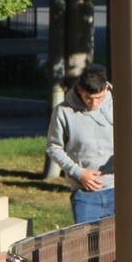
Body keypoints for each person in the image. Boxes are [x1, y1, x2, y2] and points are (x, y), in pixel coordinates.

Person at [46, 65, 116, 223]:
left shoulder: (120, 104)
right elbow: (53, 147)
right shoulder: (63, 112)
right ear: (79, 90)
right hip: (85, 194)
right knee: (88, 245)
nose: (94, 104)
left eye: (99, 98)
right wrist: (78, 173)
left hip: (119, 188)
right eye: (88, 98)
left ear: (106, 88)